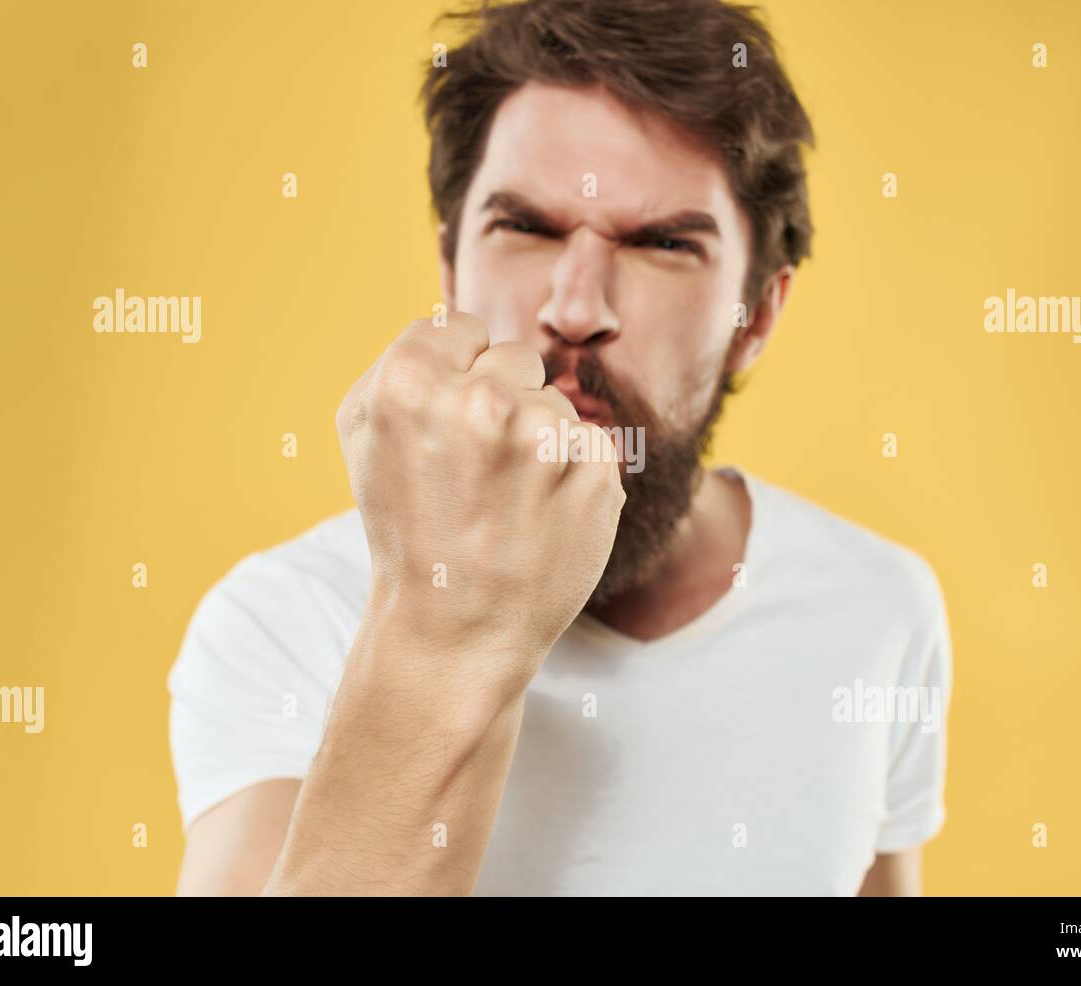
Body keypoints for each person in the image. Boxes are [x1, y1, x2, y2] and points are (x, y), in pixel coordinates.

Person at [168, 0, 952, 896]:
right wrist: (451, 624)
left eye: (662, 243)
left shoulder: (880, 607)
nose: (575, 308)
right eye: (528, 228)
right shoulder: (285, 620)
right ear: (450, 272)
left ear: (756, 317)